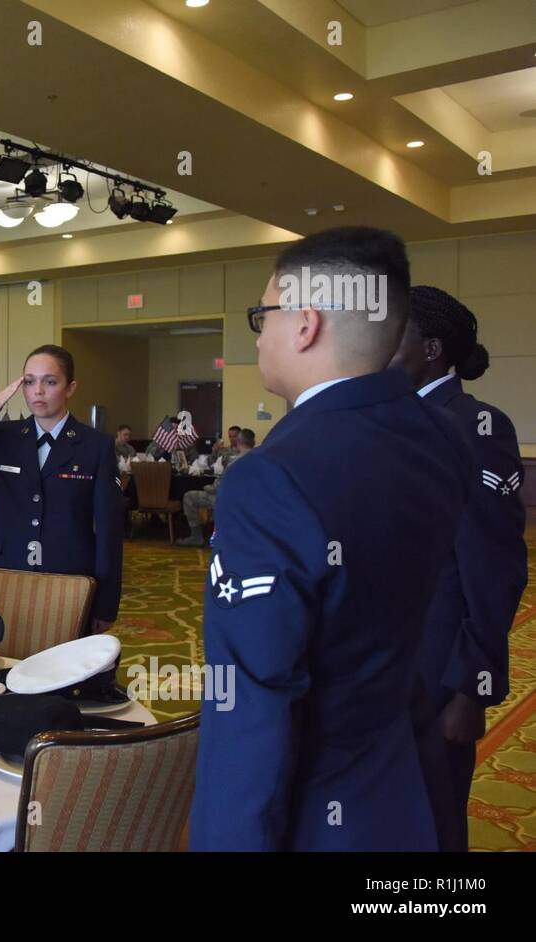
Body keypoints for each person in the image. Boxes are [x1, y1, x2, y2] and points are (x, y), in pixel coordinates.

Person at [189, 227, 471, 851]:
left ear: (305, 325)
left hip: (319, 814)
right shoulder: (440, 436)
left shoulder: (272, 476)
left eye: (263, 315)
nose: (259, 335)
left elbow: (253, 705)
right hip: (410, 788)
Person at [390, 285, 528, 852]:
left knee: (434, 823)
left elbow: (494, 569)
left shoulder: (476, 429)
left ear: (431, 349)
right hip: (380, 668)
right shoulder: (390, 420)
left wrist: (474, 688)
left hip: (438, 673)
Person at [0, 345, 124, 631]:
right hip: (5, 574)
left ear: (70, 388)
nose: (38, 391)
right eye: (29, 381)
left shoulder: (95, 446)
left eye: (50, 381)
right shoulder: (3, 437)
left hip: (68, 579)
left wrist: (106, 604)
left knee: (62, 668)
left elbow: (109, 530)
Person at [176, 427, 254, 547]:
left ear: (239, 440)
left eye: (234, 436)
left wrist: (206, 487)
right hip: (245, 498)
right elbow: (209, 463)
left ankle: (196, 537)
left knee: (189, 497)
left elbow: (220, 484)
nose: (232, 439)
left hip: (225, 497)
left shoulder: (235, 462)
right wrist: (214, 451)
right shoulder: (257, 457)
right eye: (230, 436)